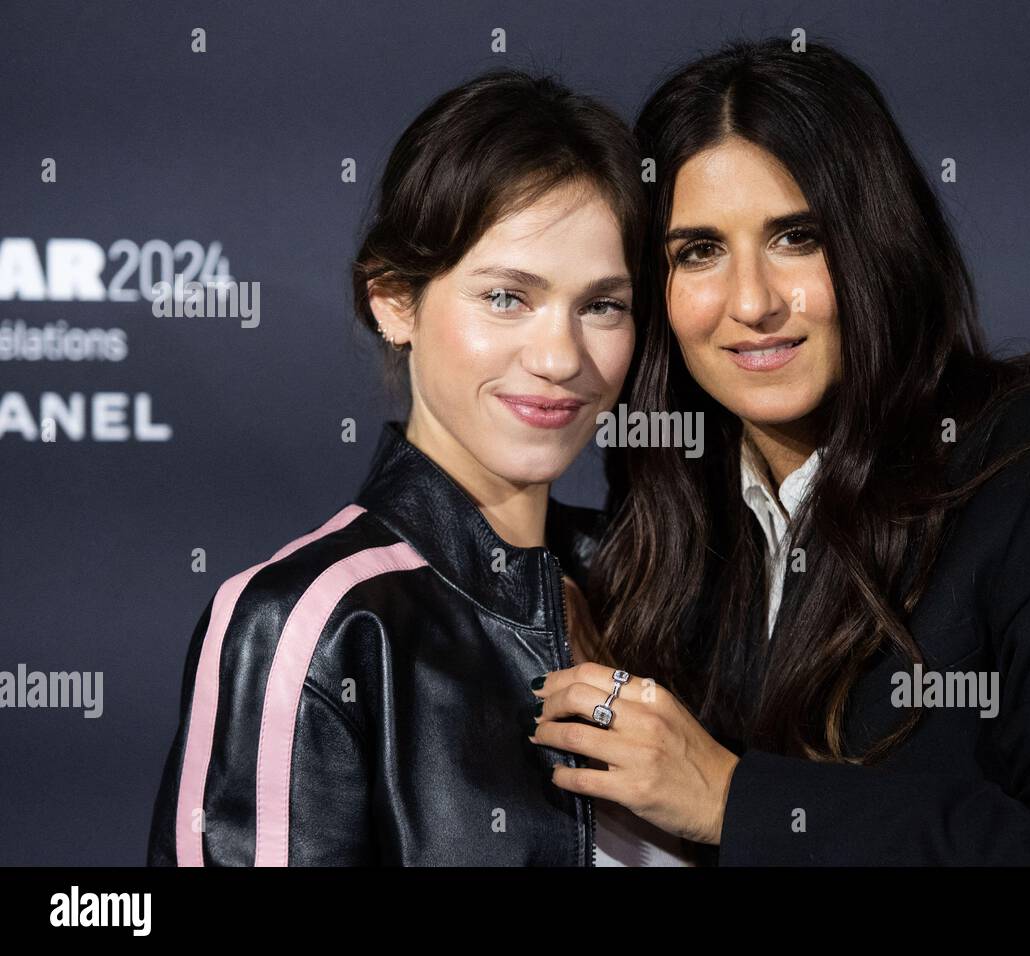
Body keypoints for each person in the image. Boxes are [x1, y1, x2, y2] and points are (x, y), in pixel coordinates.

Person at [527, 38, 1030, 865]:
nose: (752, 301)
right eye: (700, 251)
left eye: (797, 237)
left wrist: (735, 801)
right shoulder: (668, 516)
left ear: (881, 242)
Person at [146, 69, 664, 865]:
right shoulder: (311, 624)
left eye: (602, 305)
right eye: (506, 297)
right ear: (394, 300)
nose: (562, 358)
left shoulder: (661, 584)